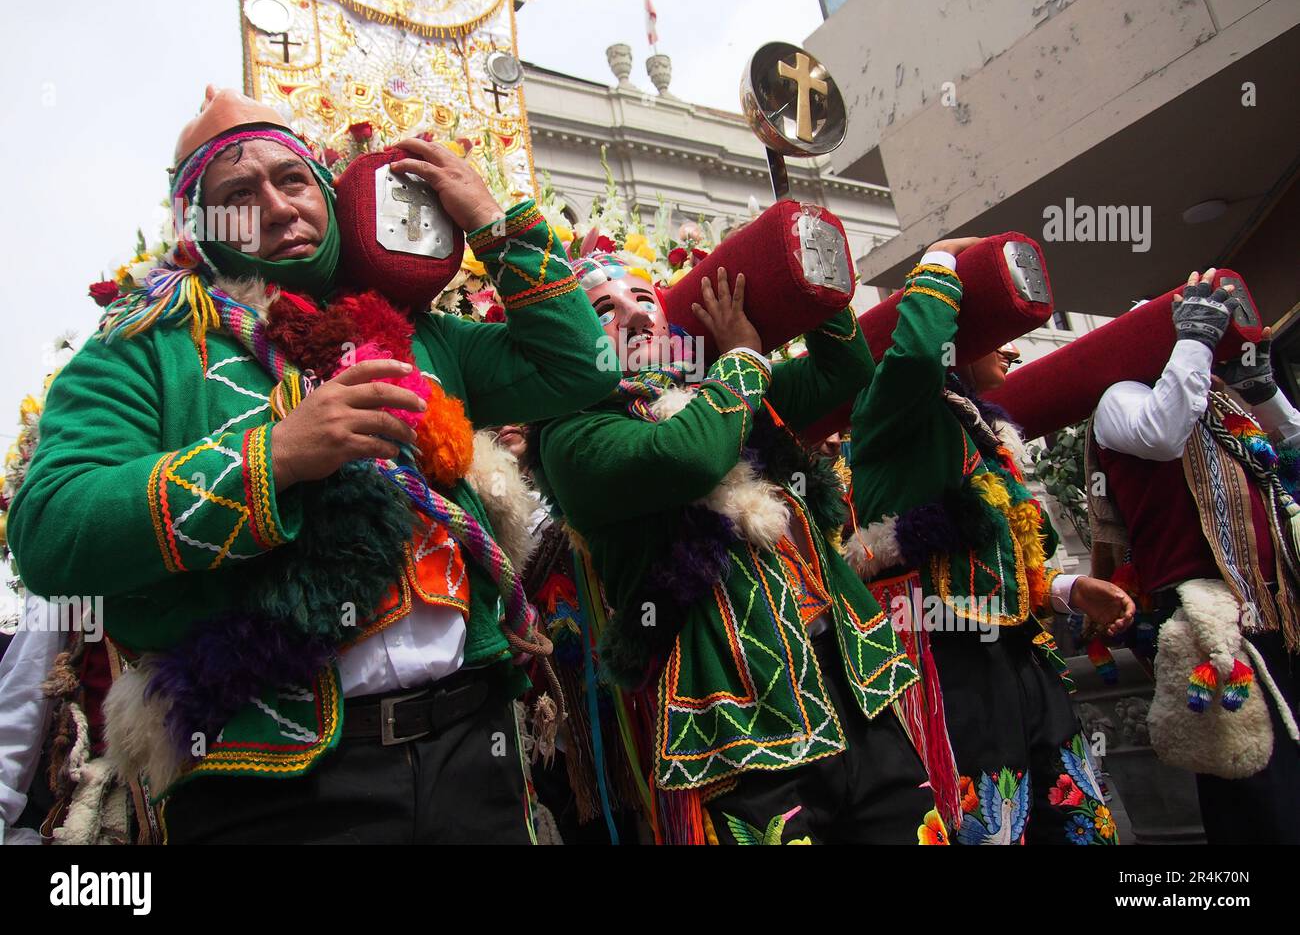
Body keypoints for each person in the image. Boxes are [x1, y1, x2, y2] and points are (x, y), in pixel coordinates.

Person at [6, 87, 618, 844]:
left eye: (292, 180)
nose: (277, 204)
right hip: (274, 788)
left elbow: (582, 366)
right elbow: (50, 527)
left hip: (476, 752)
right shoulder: (145, 344)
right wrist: (277, 457)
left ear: (326, 191)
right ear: (199, 226)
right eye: (238, 192)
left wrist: (497, 226)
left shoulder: (421, 334)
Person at [532, 248, 939, 845]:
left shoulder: (725, 392)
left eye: (646, 300)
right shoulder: (571, 437)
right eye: (604, 310)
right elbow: (690, 456)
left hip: (850, 683)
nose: (637, 316)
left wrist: (791, 289)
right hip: (737, 723)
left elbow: (843, 371)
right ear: (572, 340)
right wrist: (745, 357)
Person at [848, 237, 1133, 845]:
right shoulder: (892, 412)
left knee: (1073, 809)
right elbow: (917, 353)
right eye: (994, 330)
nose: (1013, 346)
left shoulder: (980, 428)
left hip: (1018, 650)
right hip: (946, 655)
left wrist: (1064, 589)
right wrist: (943, 257)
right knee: (994, 821)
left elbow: (1004, 550)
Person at [1090, 269, 1300, 843]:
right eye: (1189, 333)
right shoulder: (1121, 398)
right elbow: (1163, 435)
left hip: (1277, 610)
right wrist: (1195, 341)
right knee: (1255, 788)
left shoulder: (1220, 407)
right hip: (1211, 621)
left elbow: (1290, 456)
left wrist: (1265, 394)